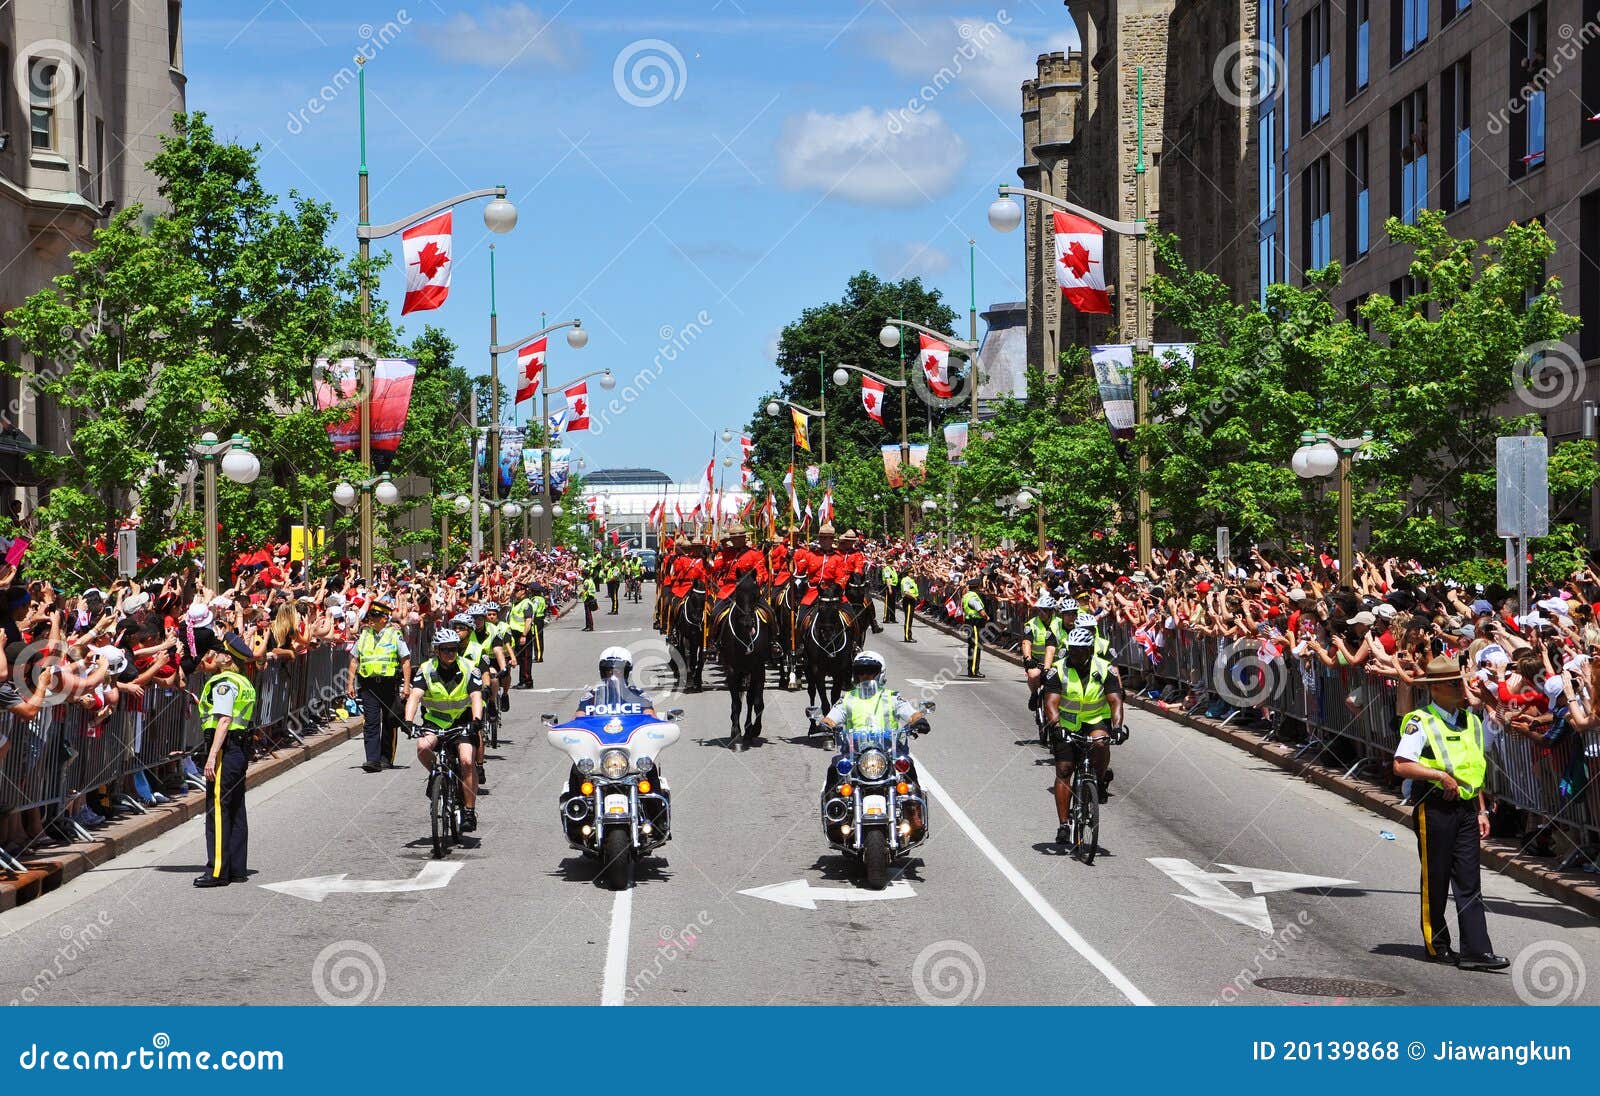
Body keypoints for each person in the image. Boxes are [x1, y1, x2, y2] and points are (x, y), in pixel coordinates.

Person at [1392, 654, 1510, 971]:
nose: (1461, 688)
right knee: (1436, 877)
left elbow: (1474, 770)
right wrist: (1439, 776)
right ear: (1435, 688)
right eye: (1453, 684)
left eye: (1460, 682)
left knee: (1469, 880)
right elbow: (1401, 765)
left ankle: (1476, 951)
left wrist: (1481, 810)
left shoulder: (1471, 721)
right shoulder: (1421, 720)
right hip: (1434, 807)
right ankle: (1437, 943)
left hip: (1466, 809)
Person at [814, 649, 930, 801]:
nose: (865, 676)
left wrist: (919, 720)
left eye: (870, 671)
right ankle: (834, 810)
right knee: (835, 768)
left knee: (908, 768)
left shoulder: (892, 697)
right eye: (861, 672)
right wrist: (825, 724)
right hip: (854, 754)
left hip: (890, 753)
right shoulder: (847, 699)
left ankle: (915, 809)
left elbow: (912, 714)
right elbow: (831, 718)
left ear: (880, 673)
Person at [191, 629, 257, 888]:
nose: (215, 654)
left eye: (219, 652)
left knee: (218, 808)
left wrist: (211, 757)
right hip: (238, 749)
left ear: (228, 658)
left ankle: (217, 870)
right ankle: (236, 868)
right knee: (236, 807)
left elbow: (224, 720)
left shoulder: (224, 682)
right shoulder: (243, 681)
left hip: (225, 749)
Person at [1046, 627, 1123, 843]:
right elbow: (1050, 702)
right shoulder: (1058, 669)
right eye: (1072, 649)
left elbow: (1115, 700)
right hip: (1066, 724)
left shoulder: (1104, 668)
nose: (1075, 653)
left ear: (1089, 650)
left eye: (1080, 650)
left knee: (1101, 743)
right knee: (1064, 769)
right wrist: (1056, 725)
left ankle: (1099, 781)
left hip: (1095, 720)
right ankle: (1064, 824)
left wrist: (1118, 727)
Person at [406, 627, 485, 834]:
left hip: (462, 722)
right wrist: (408, 721)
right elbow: (415, 696)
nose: (451, 653)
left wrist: (476, 721)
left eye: (454, 649)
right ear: (437, 650)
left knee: (466, 760)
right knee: (422, 746)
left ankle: (469, 811)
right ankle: (436, 774)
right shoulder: (426, 669)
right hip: (435, 722)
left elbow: (476, 696)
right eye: (446, 649)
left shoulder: (469, 668)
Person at [348, 598, 411, 774]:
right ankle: (373, 760)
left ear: (384, 618)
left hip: (389, 683)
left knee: (390, 720)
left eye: (375, 616)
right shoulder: (364, 635)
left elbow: (405, 661)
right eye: (370, 616)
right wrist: (350, 683)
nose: (371, 620)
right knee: (371, 721)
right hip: (368, 685)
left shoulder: (395, 635)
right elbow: (354, 660)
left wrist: (406, 686)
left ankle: (386, 758)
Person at [1022, 594, 1058, 732]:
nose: (1041, 613)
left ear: (1051, 611)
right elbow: (1026, 642)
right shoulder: (1031, 624)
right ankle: (1034, 695)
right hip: (1036, 661)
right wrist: (1028, 659)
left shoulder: (1059, 623)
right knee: (1033, 675)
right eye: (1039, 610)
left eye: (1045, 610)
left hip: (1056, 661)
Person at [508, 583, 536, 686]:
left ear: (523, 591)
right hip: (515, 634)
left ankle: (527, 681)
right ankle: (522, 681)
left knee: (526, 659)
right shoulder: (517, 602)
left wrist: (524, 635)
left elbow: (528, 620)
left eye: (516, 590)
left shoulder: (526, 603)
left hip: (523, 634)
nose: (514, 593)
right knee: (521, 658)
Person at [962, 575, 989, 677]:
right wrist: (986, 617)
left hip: (970, 622)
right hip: (975, 624)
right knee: (975, 646)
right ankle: (973, 670)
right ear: (977, 587)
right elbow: (980, 611)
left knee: (972, 646)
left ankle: (972, 669)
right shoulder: (973, 597)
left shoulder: (967, 595)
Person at [527, 582, 550, 663]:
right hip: (540, 619)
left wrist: (530, 621)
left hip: (537, 620)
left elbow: (533, 610)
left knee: (537, 639)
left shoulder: (536, 599)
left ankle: (538, 657)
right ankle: (538, 655)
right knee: (538, 638)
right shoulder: (541, 598)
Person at [898, 567, 920, 642]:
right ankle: (907, 636)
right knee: (908, 619)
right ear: (908, 573)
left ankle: (909, 636)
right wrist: (914, 597)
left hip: (911, 600)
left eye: (913, 572)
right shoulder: (906, 580)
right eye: (912, 572)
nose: (913, 574)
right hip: (909, 600)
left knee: (910, 619)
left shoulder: (911, 580)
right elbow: (906, 592)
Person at [880, 557, 900, 624]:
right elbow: (887, 579)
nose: (894, 563)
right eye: (893, 562)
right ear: (890, 563)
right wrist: (889, 588)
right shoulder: (887, 569)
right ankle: (886, 618)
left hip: (894, 586)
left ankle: (892, 618)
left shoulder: (892, 569)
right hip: (889, 586)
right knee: (888, 602)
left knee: (893, 603)